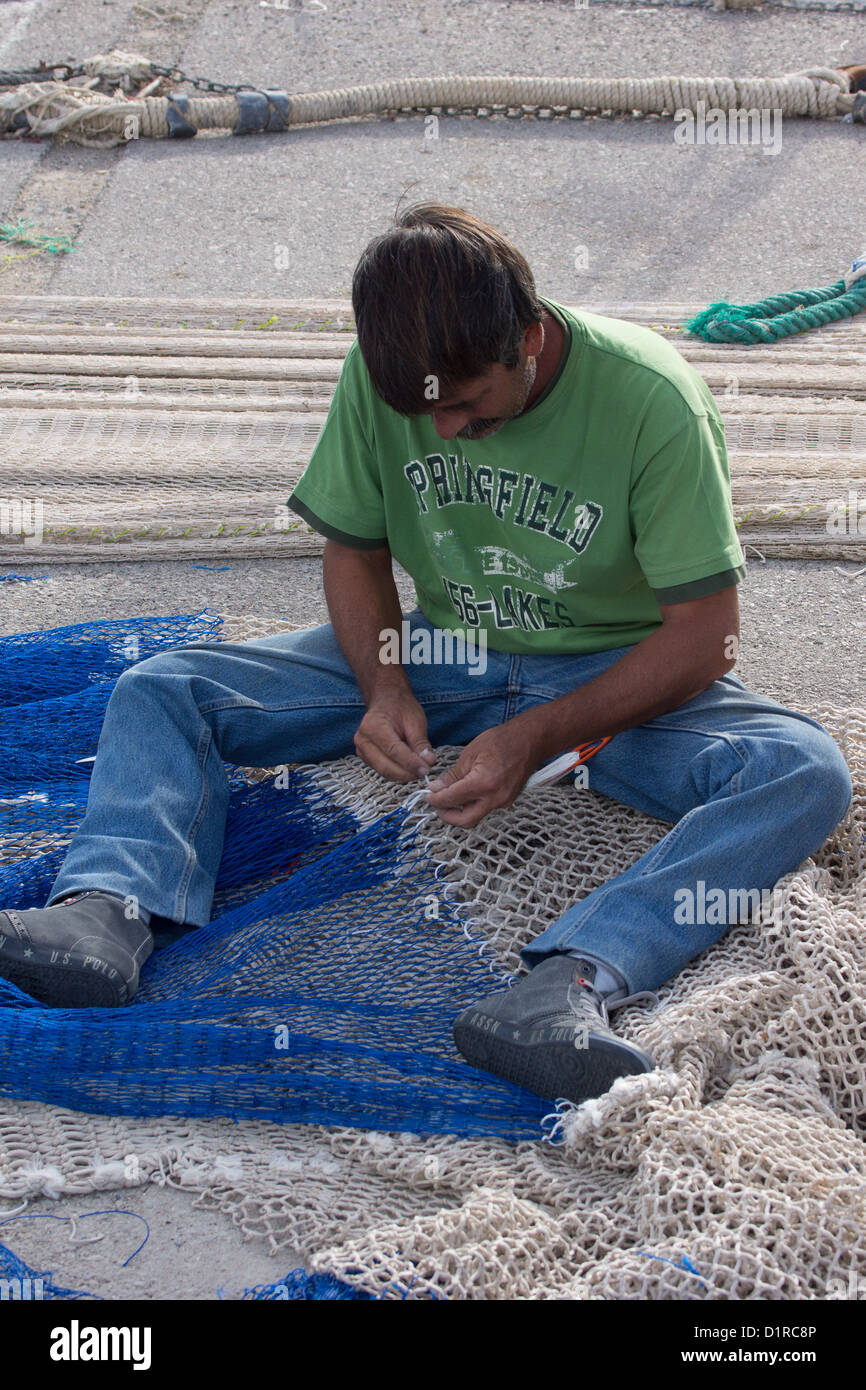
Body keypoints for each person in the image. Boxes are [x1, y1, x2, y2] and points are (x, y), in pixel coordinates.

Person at [0, 203, 852, 1107]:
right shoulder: (388, 375)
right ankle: (108, 913)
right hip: (444, 651)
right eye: (424, 412)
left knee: (801, 771)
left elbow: (705, 638)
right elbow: (356, 548)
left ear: (527, 339)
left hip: (609, 677)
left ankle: (568, 984)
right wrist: (382, 684)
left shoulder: (651, 398)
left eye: (472, 406)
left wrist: (533, 737)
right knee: (168, 687)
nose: (444, 430)